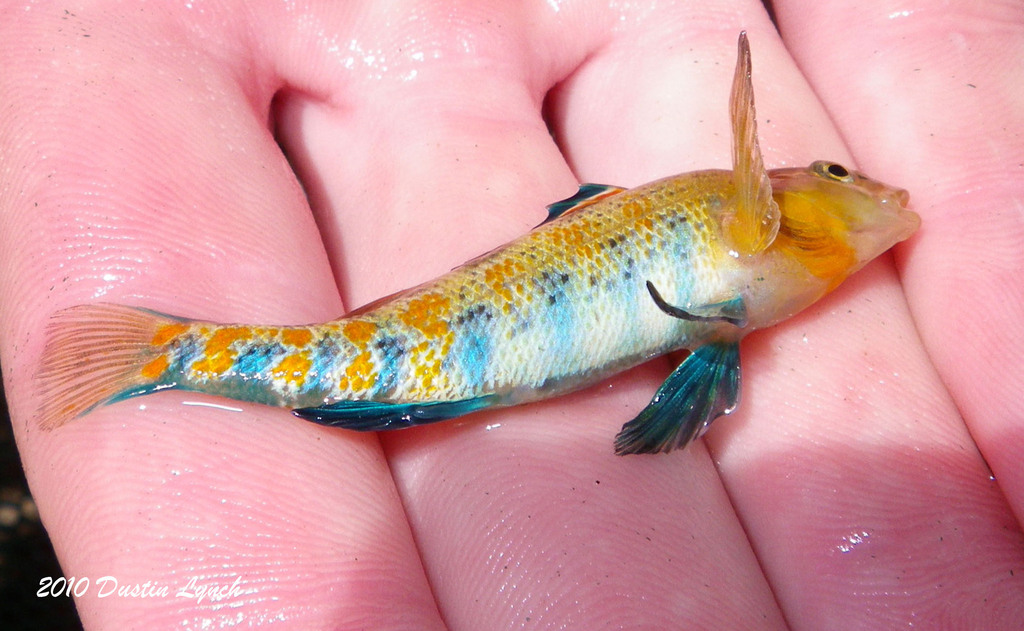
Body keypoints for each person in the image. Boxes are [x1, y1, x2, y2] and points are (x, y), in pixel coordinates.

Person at [1, 1, 1022, 628]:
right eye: (837, 175)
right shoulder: (752, 213)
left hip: (678, 324)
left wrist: (687, 399)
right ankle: (167, 349)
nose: (868, 193)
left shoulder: (755, 287)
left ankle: (176, 352)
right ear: (777, 193)